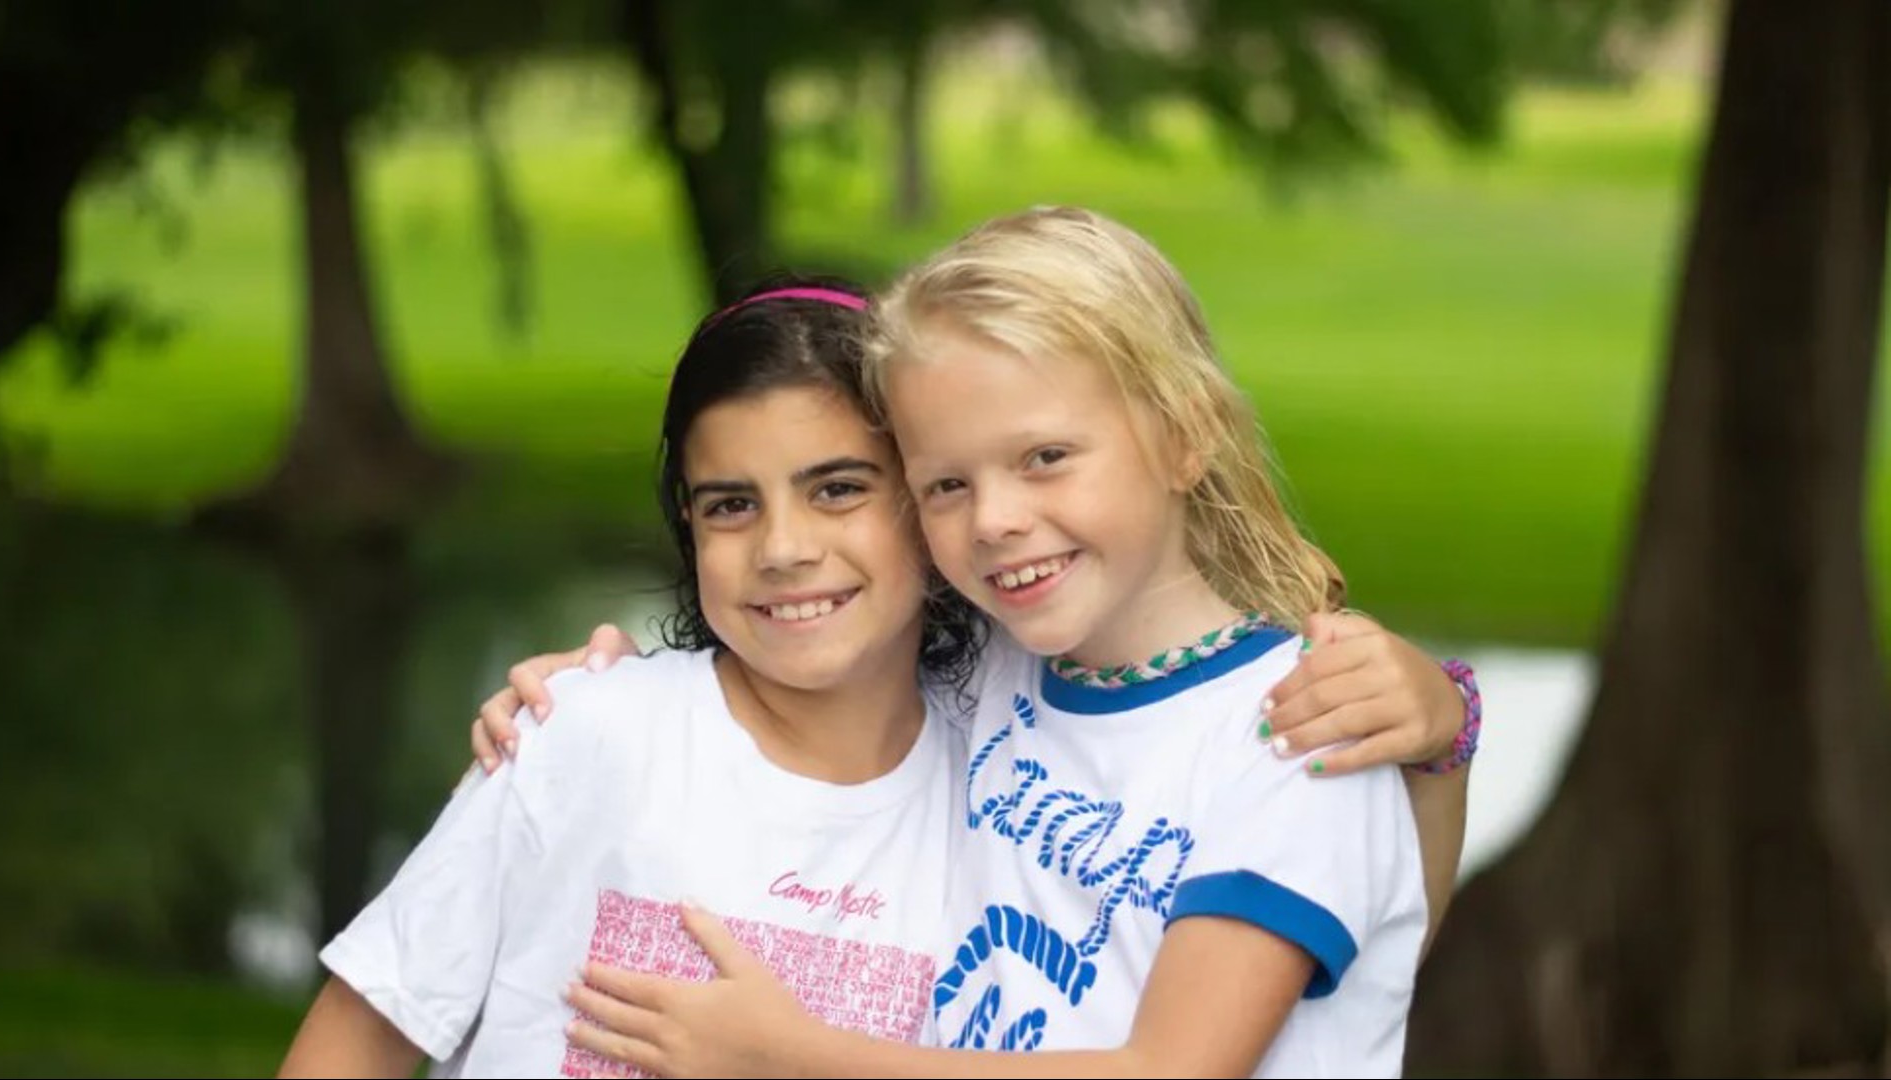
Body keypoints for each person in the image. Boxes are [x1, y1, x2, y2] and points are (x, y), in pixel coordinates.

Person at [538, 208, 1479, 1077]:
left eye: (1045, 459)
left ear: (1187, 434)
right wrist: (596, 704)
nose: (994, 520)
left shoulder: (1293, 731)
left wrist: (793, 1056)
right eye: (945, 484)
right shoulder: (996, 673)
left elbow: (1172, 1071)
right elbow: (812, 671)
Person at [279, 284, 986, 1077]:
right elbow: (357, 1039)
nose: (783, 547)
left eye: (838, 489)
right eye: (731, 505)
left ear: (930, 496)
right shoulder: (587, 733)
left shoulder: (1000, 799)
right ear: (687, 522)